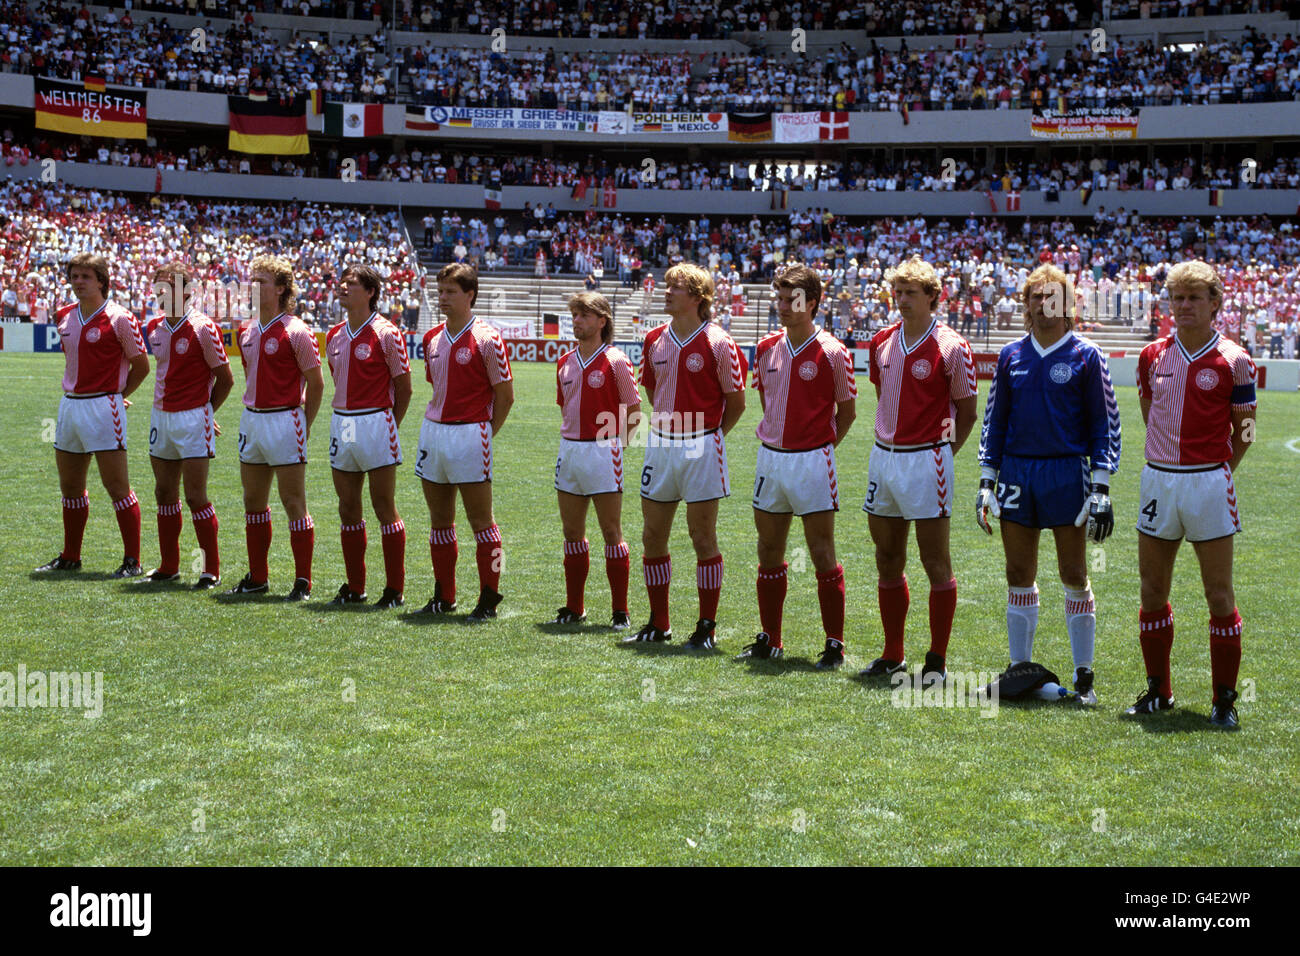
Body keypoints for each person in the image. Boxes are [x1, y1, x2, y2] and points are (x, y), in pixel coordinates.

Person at [976, 264, 1122, 704]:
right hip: (1017, 473)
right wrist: (987, 480)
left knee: (1074, 573)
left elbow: (1104, 424)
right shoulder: (1010, 356)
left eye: (1052, 296)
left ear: (1069, 303)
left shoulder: (1087, 355)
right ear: (1026, 304)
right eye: (1035, 297)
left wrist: (1101, 486)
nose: (1044, 304)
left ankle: (1084, 679)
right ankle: (1020, 671)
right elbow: (994, 421)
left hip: (1066, 473)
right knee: (1018, 572)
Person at [1128, 260, 1257, 729]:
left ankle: (1223, 700)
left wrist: (1217, 471)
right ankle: (1158, 691)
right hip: (1159, 480)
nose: (1183, 306)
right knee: (1151, 590)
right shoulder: (1151, 356)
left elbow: (1244, 430)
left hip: (1209, 481)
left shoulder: (1236, 359)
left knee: (1218, 593)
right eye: (1177, 298)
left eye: (1194, 298)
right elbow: (1150, 411)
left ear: (1215, 303)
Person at [859, 256, 977, 683]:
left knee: (935, 561)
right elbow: (881, 392)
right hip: (882, 456)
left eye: (912, 293)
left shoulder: (951, 346)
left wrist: (944, 454)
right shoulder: (882, 342)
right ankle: (893, 654)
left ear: (933, 297)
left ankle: (937, 661)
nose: (902, 300)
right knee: (887, 558)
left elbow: (967, 413)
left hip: (928, 459)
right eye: (898, 292)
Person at [736, 264, 857, 667]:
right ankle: (771, 637)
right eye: (780, 298)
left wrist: (820, 448)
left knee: (822, 551)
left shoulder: (834, 352)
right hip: (770, 459)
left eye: (793, 300)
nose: (784, 306)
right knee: (769, 549)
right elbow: (767, 403)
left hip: (812, 461)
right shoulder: (766, 348)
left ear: (813, 304)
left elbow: (848, 412)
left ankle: (834, 644)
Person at [626, 263, 746, 649]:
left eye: (675, 287)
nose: (666, 292)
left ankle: (705, 629)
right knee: (652, 536)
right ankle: (659, 624)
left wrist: (709, 437)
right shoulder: (654, 339)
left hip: (702, 443)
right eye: (667, 286)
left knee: (702, 537)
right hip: (660, 443)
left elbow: (737, 402)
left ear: (697, 297)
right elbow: (651, 391)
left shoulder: (718, 342)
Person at [35, 253, 149, 577]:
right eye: (74, 276)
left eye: (86, 276)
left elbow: (141, 366)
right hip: (70, 404)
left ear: (101, 280)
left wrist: (118, 396)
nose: (78, 281)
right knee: (70, 486)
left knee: (117, 487)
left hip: (103, 406)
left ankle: (133, 561)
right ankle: (71, 555)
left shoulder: (120, 318)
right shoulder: (64, 317)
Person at [415, 263, 514, 621]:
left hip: (471, 433)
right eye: (440, 291)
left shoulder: (487, 339)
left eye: (450, 292)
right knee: (439, 519)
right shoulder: (432, 339)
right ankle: (445, 595)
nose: (442, 298)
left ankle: (489, 595)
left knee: (482, 521)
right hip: (434, 431)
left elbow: (505, 395)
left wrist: (487, 432)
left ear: (470, 295)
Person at [228, 255, 325, 600]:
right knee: (253, 501)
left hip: (286, 419)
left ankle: (303, 581)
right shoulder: (247, 330)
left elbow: (316, 383)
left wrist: (305, 423)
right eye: (251, 281)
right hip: (251, 419)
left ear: (281, 288)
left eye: (261, 282)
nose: (253, 287)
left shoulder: (298, 331)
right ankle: (258, 576)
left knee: (292, 501)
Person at [324, 264, 412, 609]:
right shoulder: (333, 335)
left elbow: (404, 388)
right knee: (348, 509)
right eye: (342, 282)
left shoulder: (387, 333)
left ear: (371, 292)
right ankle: (355, 587)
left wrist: (390, 424)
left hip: (376, 421)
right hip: (342, 422)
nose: (343, 287)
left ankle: (394, 589)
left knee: (383, 507)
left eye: (352, 283)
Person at [142, 260, 234, 588]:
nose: (163, 292)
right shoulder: (154, 328)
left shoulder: (202, 328)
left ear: (187, 291)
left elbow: (225, 380)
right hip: (160, 416)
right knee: (164, 492)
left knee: (195, 496)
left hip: (193, 418)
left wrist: (207, 412)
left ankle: (210, 569)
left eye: (170, 286)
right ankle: (169, 565)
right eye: (159, 287)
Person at [553, 291, 640, 629]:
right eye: (574, 315)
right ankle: (575, 607)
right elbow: (564, 405)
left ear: (602, 320)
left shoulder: (616, 360)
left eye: (584, 316)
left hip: (604, 450)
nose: (577, 321)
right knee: (572, 531)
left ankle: (620, 610)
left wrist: (618, 447)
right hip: (570, 450)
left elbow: (633, 410)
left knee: (610, 531)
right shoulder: (565, 362)